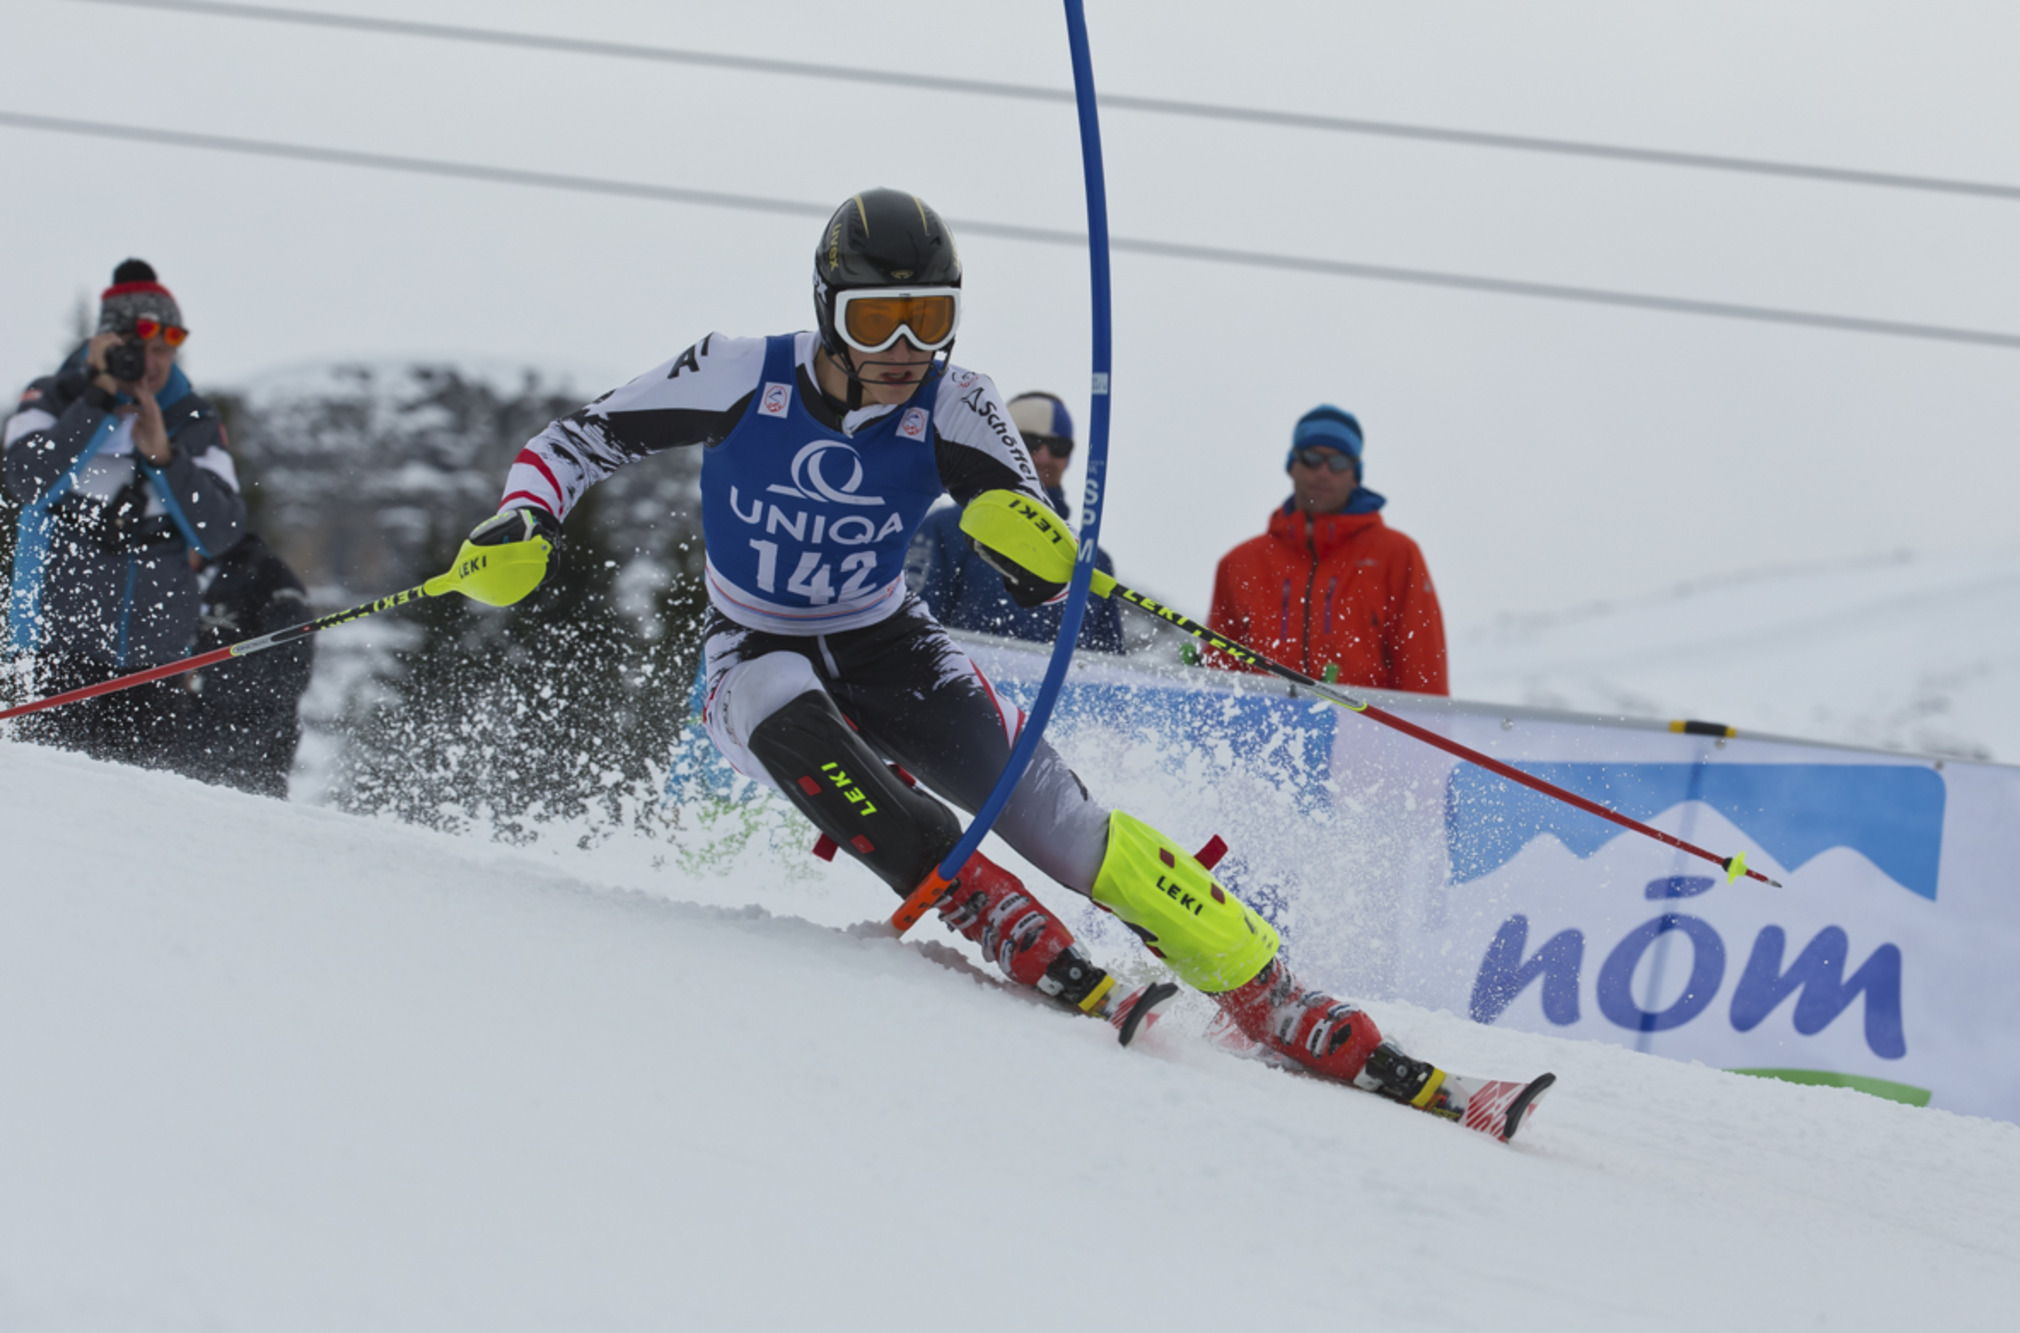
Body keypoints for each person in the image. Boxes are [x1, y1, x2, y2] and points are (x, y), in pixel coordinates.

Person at [465, 189, 1536, 1135]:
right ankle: (977, 902)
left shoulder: (956, 399)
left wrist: (1035, 550)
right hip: (753, 645)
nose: (901, 345)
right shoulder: (743, 372)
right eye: (874, 318)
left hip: (890, 640)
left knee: (1060, 824)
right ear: (824, 308)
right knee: (786, 712)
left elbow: (1032, 554)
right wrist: (524, 519)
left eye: (927, 317)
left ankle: (1272, 990)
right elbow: (572, 441)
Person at [4, 259, 246, 765]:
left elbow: (221, 532)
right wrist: (96, 401)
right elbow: (25, 480)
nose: (152, 364)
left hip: (157, 660)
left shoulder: (192, 416)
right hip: (59, 649)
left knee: (144, 811)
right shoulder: (51, 396)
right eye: (138, 349)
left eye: (164, 350)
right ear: (106, 343)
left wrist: (165, 456)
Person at [1208, 404, 1448, 694]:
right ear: (1291, 465)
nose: (1323, 472)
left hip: (1365, 733)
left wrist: (1428, 734)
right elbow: (1217, 679)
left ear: (1355, 473)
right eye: (1311, 458)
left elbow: (1423, 672)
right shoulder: (1239, 563)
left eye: (1338, 462)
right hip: (1261, 732)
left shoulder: (1397, 554)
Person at [905, 390, 1123, 652]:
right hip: (970, 687)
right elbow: (911, 633)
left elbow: (1111, 669)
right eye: (1030, 442)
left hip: (1061, 692)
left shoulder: (1092, 559)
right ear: (1004, 446)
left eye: (1058, 447)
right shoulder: (947, 529)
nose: (1044, 457)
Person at [177, 533, 316, 798]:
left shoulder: (268, 579)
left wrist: (202, 677)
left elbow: (291, 674)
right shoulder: (176, 574)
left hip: (250, 752)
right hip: (183, 747)